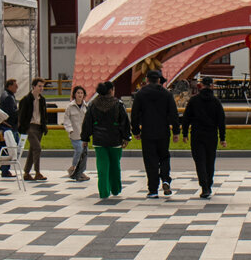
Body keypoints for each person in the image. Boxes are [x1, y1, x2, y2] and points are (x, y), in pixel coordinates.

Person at [131, 69, 180, 199]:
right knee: (164, 156)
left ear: (147, 80)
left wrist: (136, 130)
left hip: (147, 132)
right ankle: (165, 179)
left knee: (150, 160)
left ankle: (153, 189)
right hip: (163, 131)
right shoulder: (166, 94)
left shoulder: (141, 94)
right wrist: (176, 131)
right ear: (159, 80)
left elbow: (134, 114)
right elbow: (174, 114)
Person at [81, 80, 131, 199]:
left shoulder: (93, 104)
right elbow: (124, 122)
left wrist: (85, 138)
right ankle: (115, 188)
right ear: (110, 91)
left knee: (102, 167)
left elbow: (87, 122)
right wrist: (126, 137)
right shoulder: (118, 104)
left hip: (99, 140)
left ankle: (104, 191)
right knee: (115, 165)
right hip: (115, 140)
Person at [181, 76, 227, 199]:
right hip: (211, 135)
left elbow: (186, 118)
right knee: (210, 161)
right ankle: (209, 184)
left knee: (199, 161)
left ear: (200, 85)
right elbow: (221, 121)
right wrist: (222, 138)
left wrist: (185, 133)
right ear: (211, 86)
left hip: (197, 134)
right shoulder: (216, 102)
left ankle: (204, 186)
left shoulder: (194, 101)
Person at [17, 78, 49, 181]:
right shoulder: (26, 100)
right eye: (39, 86)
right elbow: (21, 115)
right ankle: (37, 171)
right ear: (34, 86)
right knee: (37, 148)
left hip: (39, 127)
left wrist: (44, 126)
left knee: (33, 150)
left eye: (42, 86)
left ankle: (26, 172)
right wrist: (22, 128)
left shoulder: (42, 100)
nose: (41, 88)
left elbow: (44, 114)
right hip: (29, 127)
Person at [62, 86, 89, 181]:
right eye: (78, 93)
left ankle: (79, 171)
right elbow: (66, 120)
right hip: (74, 134)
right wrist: (70, 129)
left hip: (84, 135)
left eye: (81, 93)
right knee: (79, 150)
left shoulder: (86, 106)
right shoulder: (70, 107)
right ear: (74, 95)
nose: (80, 95)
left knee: (84, 153)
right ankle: (74, 168)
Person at [0, 78, 19, 177]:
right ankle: (5, 168)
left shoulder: (7, 95)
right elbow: (11, 113)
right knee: (12, 147)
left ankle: (4, 167)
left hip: (9, 125)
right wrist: (20, 111)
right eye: (15, 86)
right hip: (10, 126)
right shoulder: (8, 97)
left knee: (10, 147)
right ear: (9, 86)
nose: (17, 87)